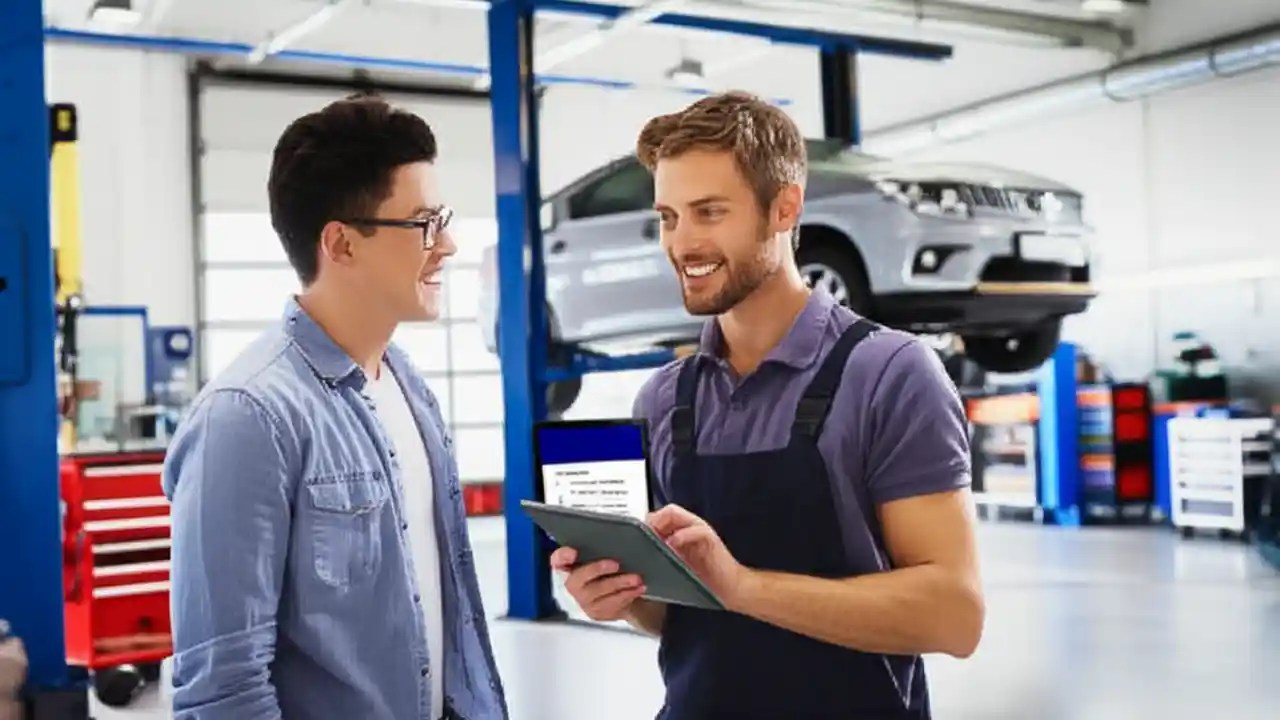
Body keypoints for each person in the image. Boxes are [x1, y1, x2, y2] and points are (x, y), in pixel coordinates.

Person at [551, 91, 985, 719]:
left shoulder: (890, 374)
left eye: (709, 212)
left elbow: (955, 616)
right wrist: (621, 596)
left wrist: (744, 588)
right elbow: (676, 614)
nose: (683, 243)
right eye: (669, 216)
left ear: (784, 208)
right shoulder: (665, 398)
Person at [162, 95, 506, 720]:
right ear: (341, 244)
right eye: (425, 222)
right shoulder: (246, 419)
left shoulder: (409, 387)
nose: (449, 244)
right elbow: (224, 690)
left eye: (445, 218)